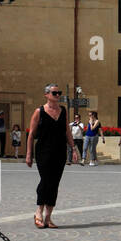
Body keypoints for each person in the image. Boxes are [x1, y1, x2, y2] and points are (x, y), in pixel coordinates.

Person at [25, 84, 78, 228]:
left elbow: (67, 131)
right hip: (43, 151)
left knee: (54, 183)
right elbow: (31, 135)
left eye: (59, 93)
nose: (57, 95)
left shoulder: (63, 111)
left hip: (59, 151)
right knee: (46, 180)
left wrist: (73, 148)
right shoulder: (39, 112)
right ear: (46, 95)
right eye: (55, 93)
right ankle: (38, 212)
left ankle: (48, 217)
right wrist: (29, 154)